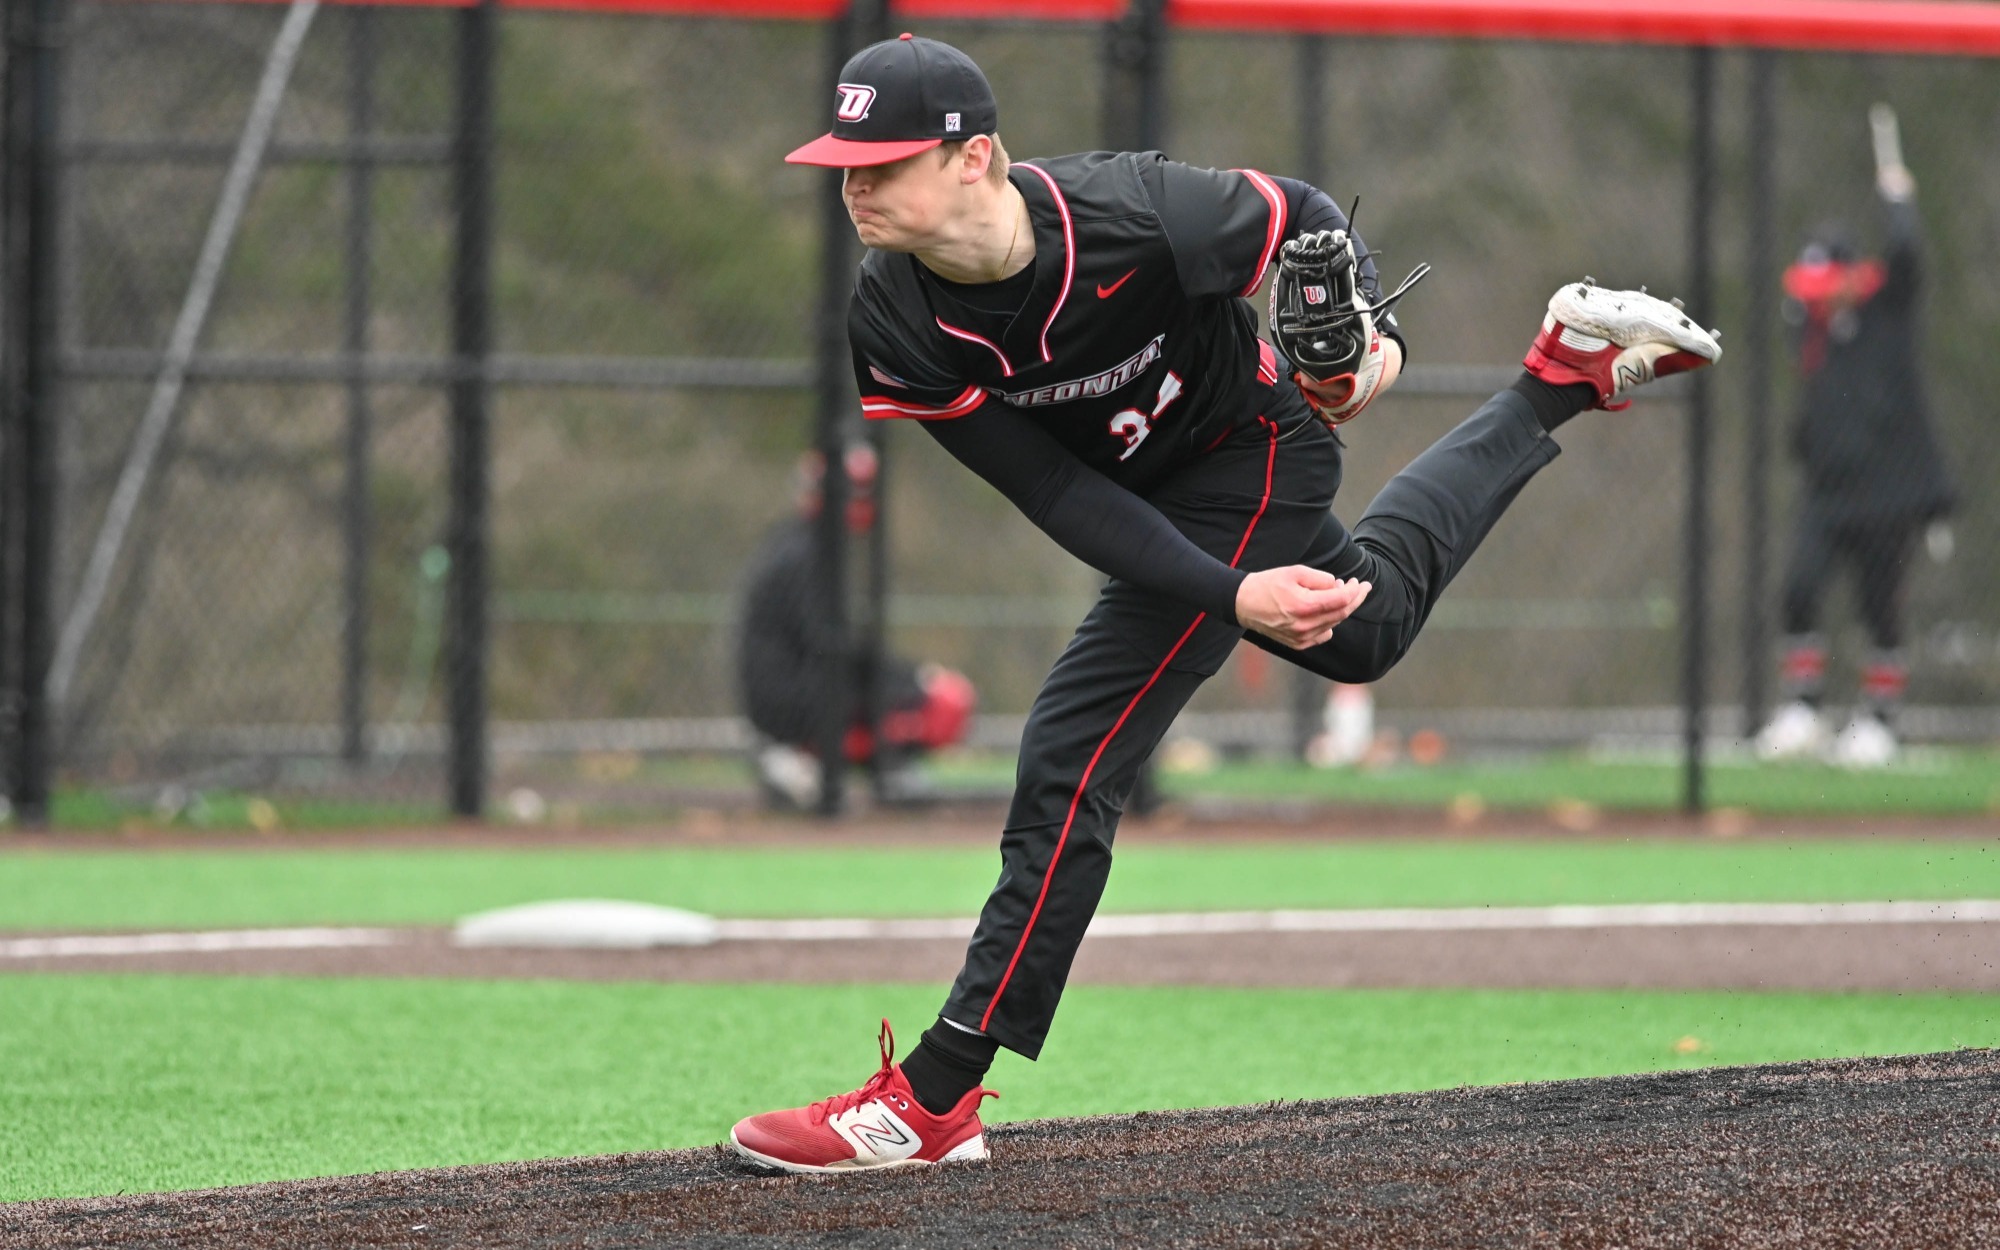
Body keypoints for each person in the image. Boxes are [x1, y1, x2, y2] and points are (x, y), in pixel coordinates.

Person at [728, 33, 1718, 1174]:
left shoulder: (1133, 214)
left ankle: (935, 1098)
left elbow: (1300, 216)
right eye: (844, 162)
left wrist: (1361, 343)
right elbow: (1050, 485)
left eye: (883, 159)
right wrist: (1228, 591)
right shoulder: (890, 318)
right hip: (1166, 512)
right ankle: (1560, 375)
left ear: (972, 157)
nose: (854, 185)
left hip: (1255, 454)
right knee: (1369, 628)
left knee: (1070, 745)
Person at [1753, 147, 1953, 769]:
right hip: (1828, 489)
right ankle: (1803, 708)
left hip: (1889, 491)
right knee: (1799, 587)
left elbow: (1908, 258)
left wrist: (1899, 200)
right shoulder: (1810, 331)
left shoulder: (1885, 313)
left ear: (1849, 274)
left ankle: (1879, 721)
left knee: (1878, 603)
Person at [736, 442, 976, 809]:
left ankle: (854, 765)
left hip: (798, 685)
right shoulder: (804, 553)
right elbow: (829, 646)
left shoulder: (807, 545)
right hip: (788, 698)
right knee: (943, 703)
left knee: (922, 693)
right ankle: (799, 760)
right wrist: (915, 678)